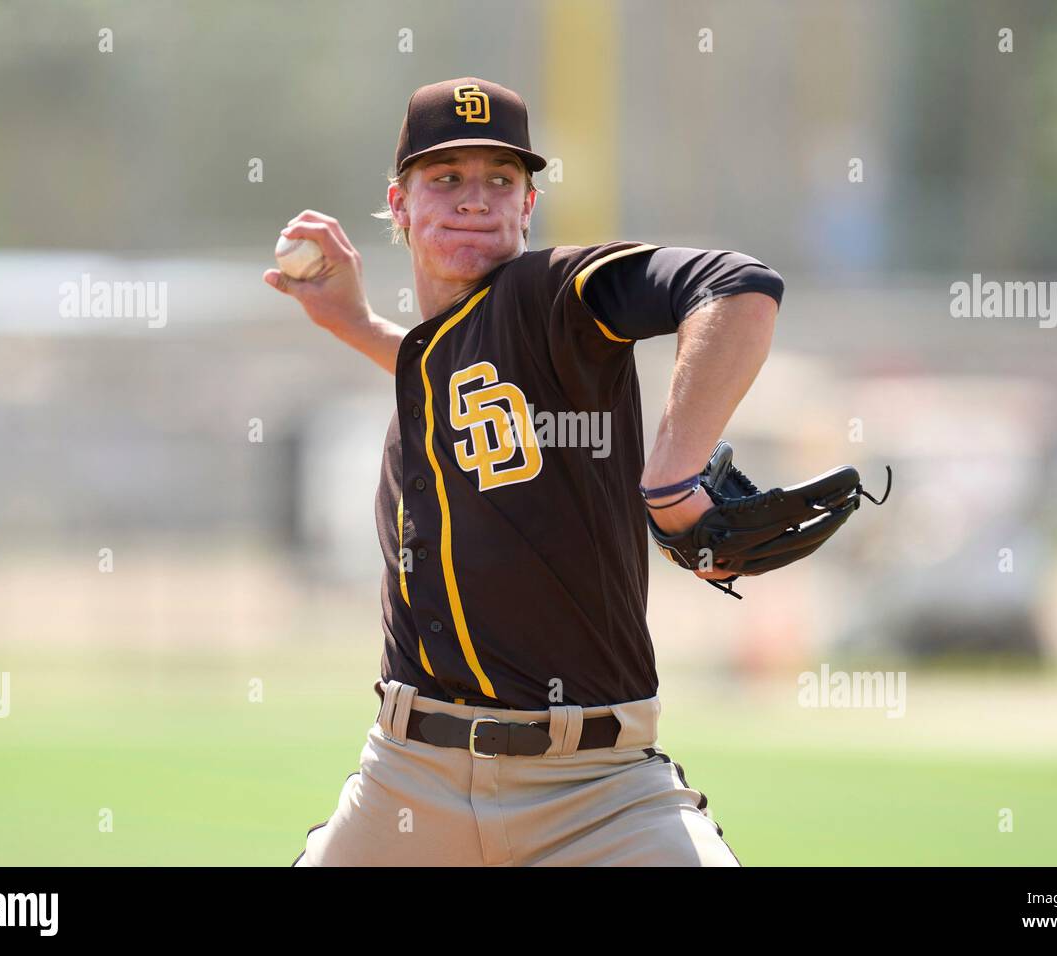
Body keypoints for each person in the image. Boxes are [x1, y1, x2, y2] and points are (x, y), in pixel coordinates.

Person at [267, 77, 783, 866]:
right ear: (398, 205)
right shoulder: (436, 362)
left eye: (499, 181)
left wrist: (671, 480)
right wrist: (356, 323)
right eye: (445, 179)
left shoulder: (554, 299)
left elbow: (736, 287)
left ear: (528, 207)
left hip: (598, 793)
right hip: (408, 784)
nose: (475, 200)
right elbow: (459, 384)